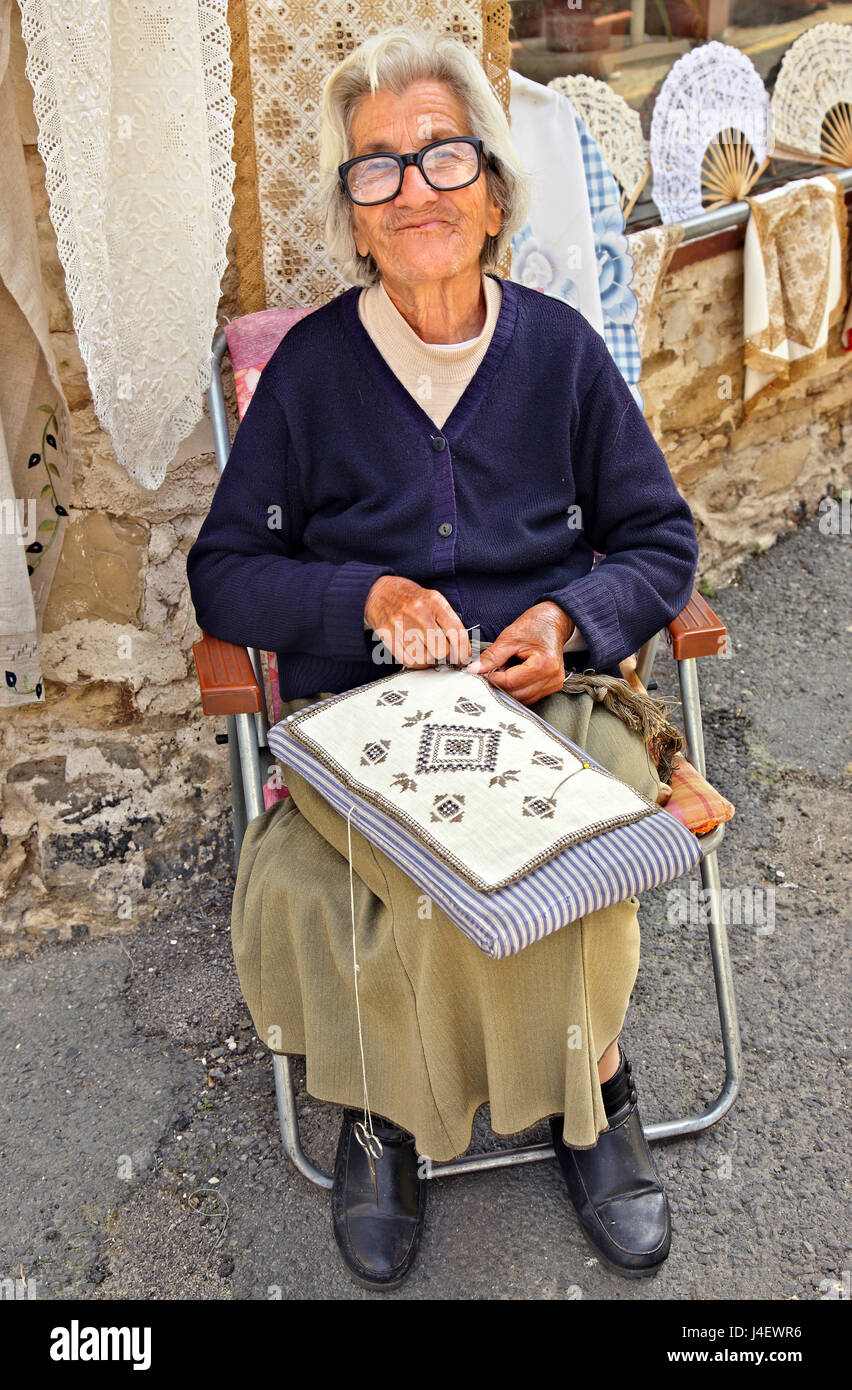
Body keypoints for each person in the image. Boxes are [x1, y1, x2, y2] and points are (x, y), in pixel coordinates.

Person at [186, 25, 698, 1290]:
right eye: (377, 169)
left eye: (442, 156)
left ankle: (591, 1093)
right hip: (369, 717)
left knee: (564, 836)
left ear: (493, 193)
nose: (413, 186)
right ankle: (389, 1113)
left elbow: (657, 537)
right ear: (355, 219)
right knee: (380, 871)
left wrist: (569, 619)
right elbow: (225, 573)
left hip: (547, 703)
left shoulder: (562, 356)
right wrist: (371, 595)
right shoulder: (309, 374)